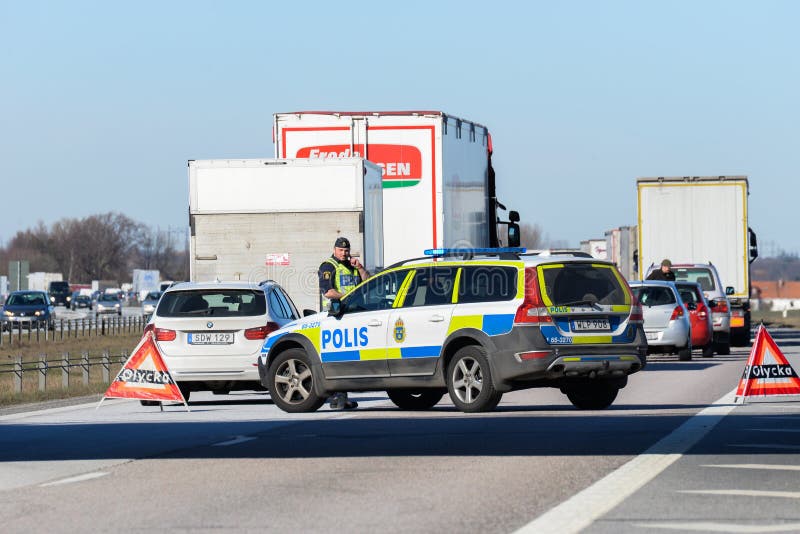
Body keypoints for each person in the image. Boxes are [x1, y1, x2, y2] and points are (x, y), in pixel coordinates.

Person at [318, 236, 369, 410]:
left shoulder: (352, 266)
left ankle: (342, 396)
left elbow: (368, 282)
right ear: (334, 250)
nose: (344, 253)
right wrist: (349, 298)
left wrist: (360, 268)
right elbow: (328, 292)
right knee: (337, 355)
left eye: (346, 250)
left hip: (352, 315)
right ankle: (336, 397)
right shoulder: (328, 266)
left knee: (350, 356)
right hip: (335, 315)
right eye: (341, 250)